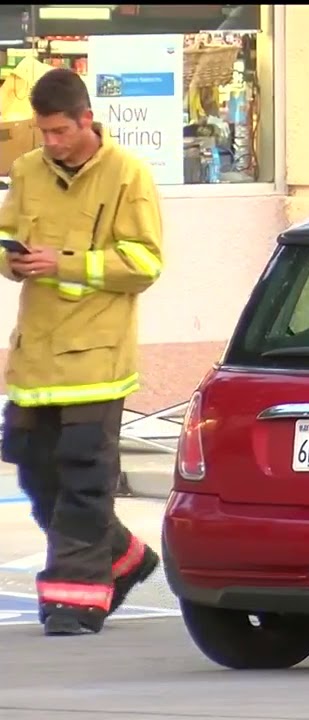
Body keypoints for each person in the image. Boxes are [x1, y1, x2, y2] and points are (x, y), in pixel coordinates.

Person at [0, 68, 164, 635]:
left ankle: (74, 601)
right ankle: (123, 557)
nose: (50, 143)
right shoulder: (26, 171)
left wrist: (65, 263)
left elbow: (146, 263)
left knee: (82, 478)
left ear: (86, 120)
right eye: (43, 132)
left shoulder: (127, 175)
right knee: (32, 471)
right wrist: (13, 260)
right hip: (35, 360)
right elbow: (8, 237)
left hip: (97, 362)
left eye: (60, 131)